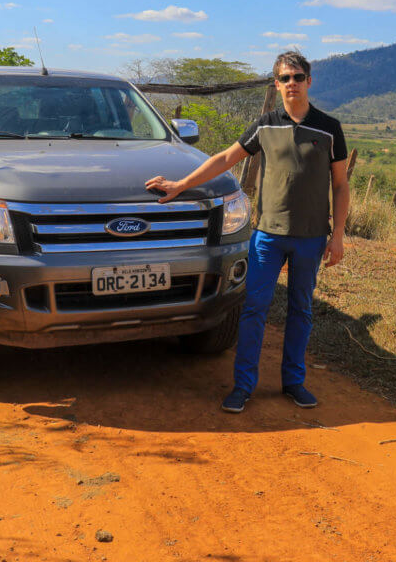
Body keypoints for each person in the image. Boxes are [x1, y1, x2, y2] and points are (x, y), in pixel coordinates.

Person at [145, 51, 349, 413]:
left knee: (301, 310)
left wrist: (338, 237)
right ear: (276, 83)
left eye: (298, 77)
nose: (291, 84)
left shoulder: (329, 127)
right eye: (284, 78)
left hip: (312, 236)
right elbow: (225, 158)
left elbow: (340, 185)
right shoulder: (265, 124)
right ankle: (243, 386)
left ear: (309, 81)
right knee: (254, 309)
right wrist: (180, 184)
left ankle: (294, 382)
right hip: (268, 235)